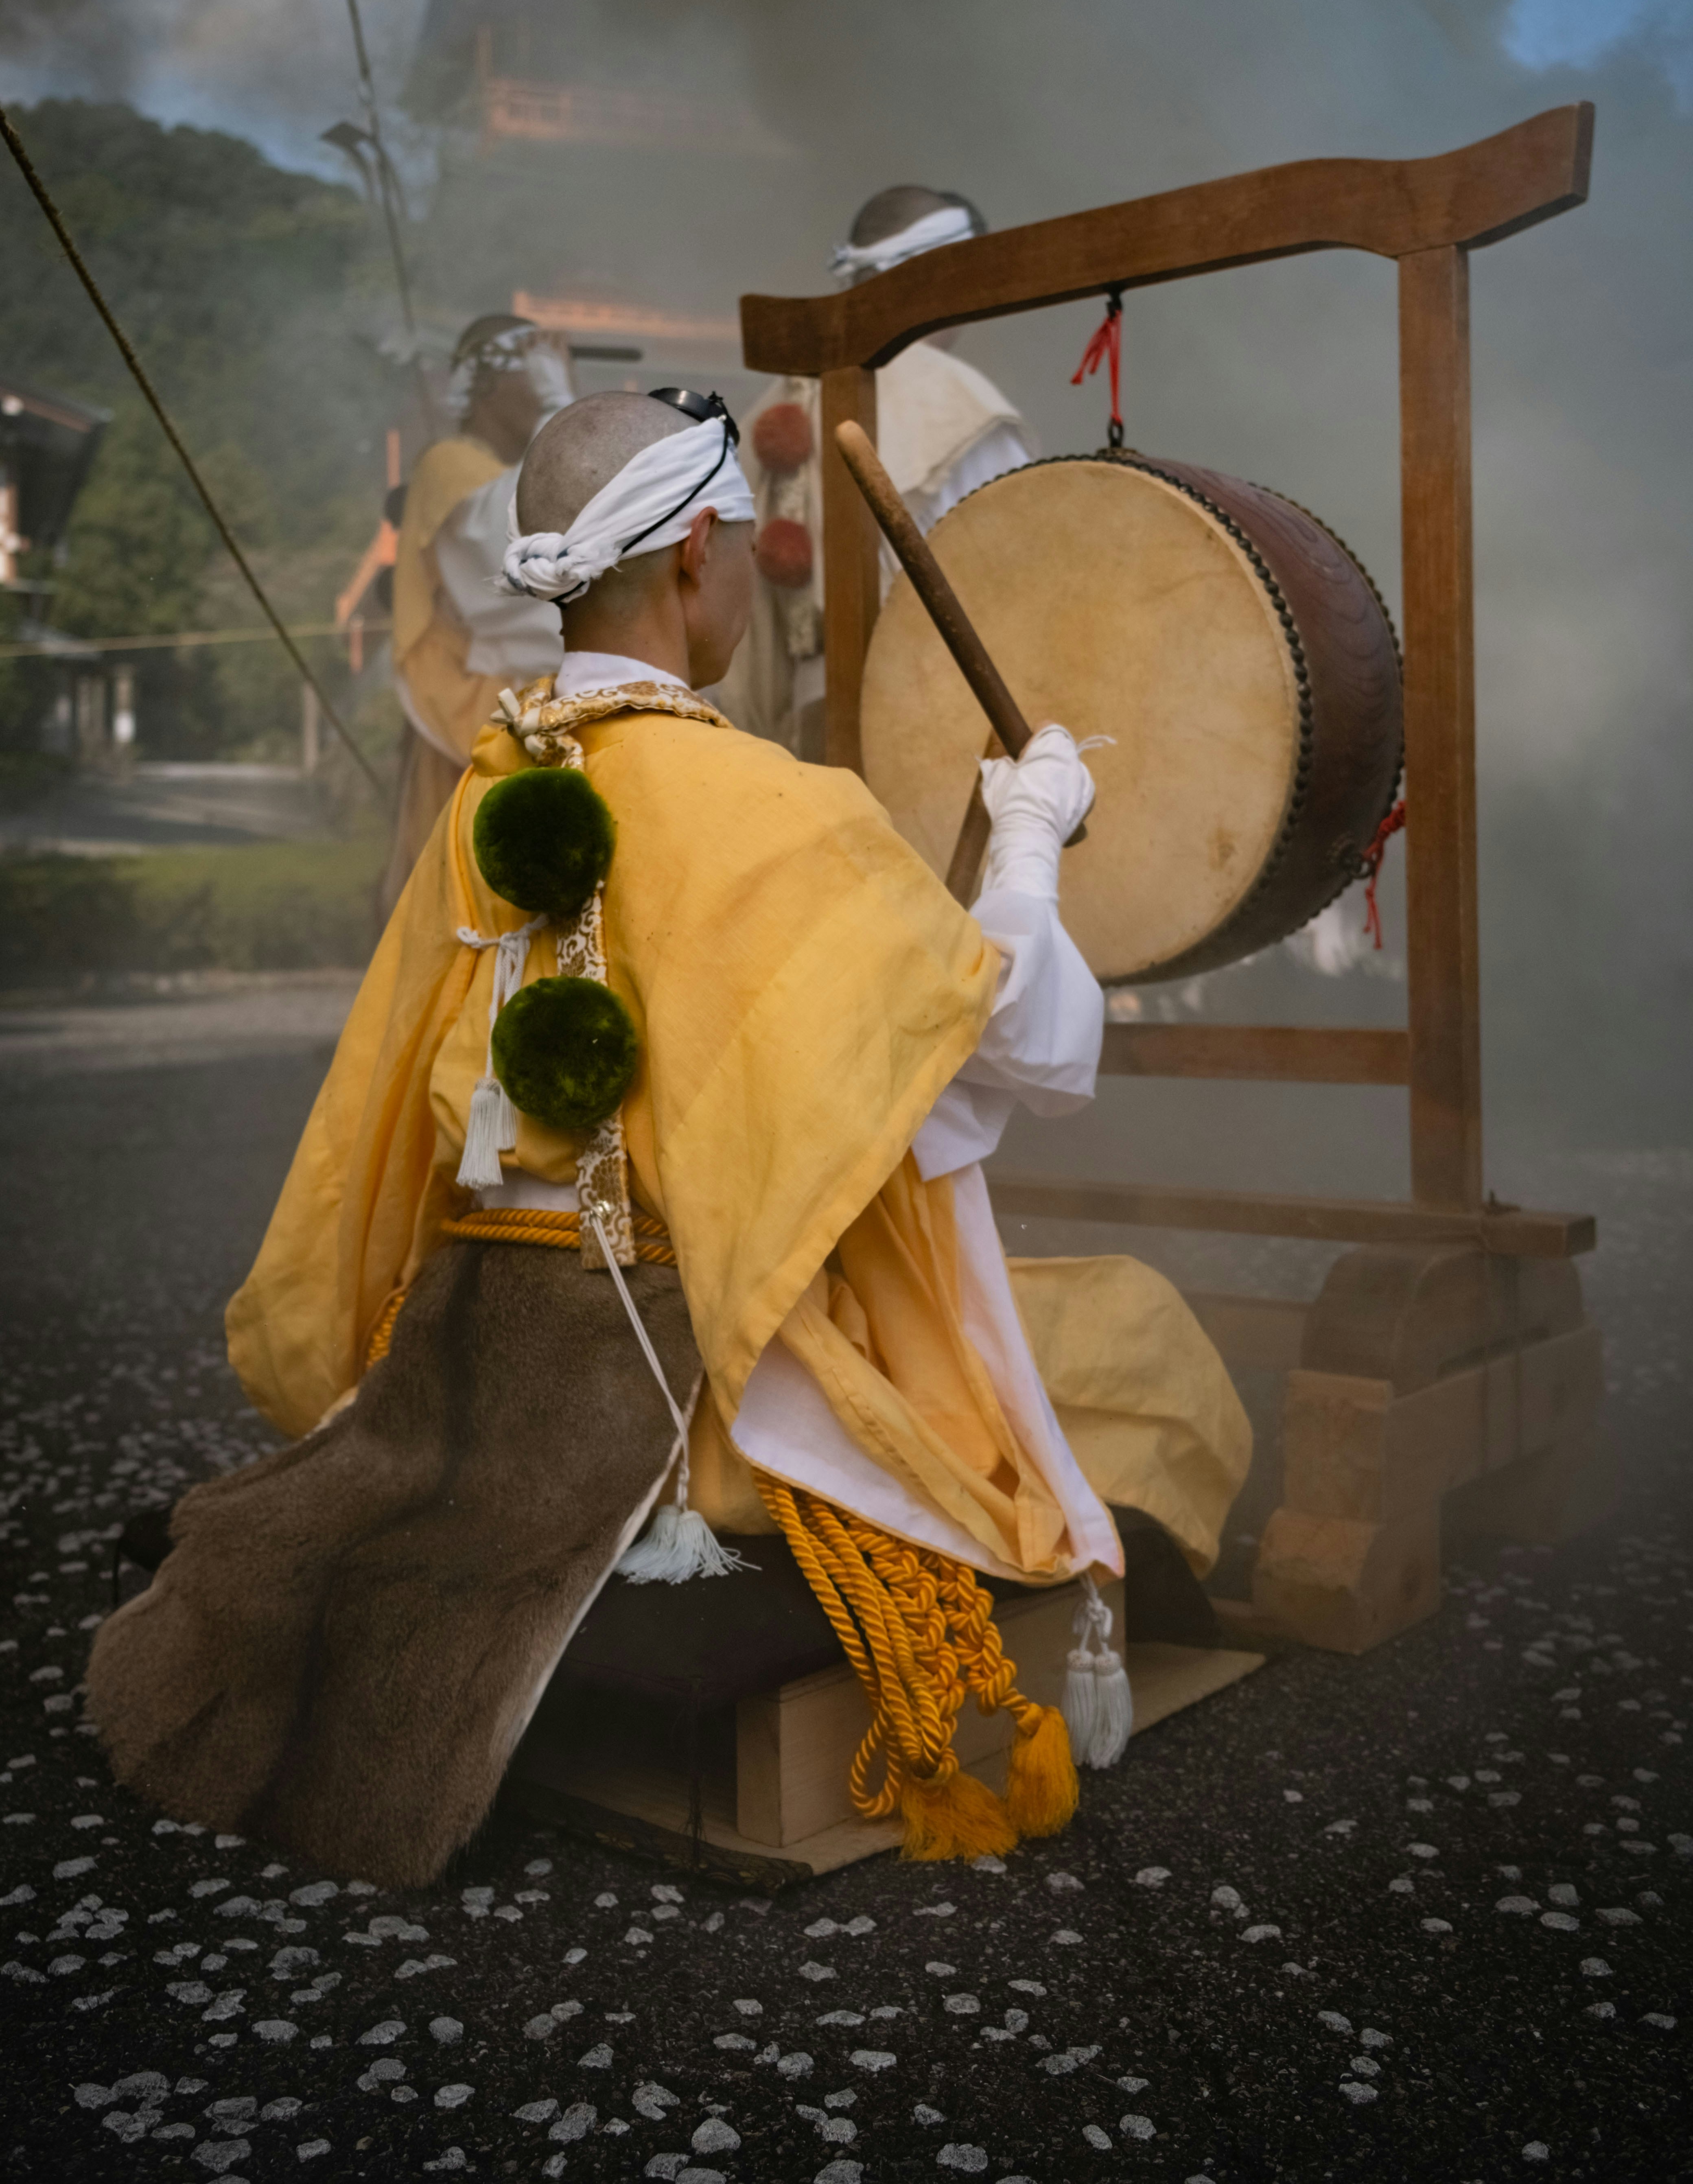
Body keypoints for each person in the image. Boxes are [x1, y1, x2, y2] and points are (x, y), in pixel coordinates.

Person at [87, 388, 1248, 1888]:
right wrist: (1030, 835)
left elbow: (373, 1118)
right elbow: (1023, 1045)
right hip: (708, 1402)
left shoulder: (498, 791)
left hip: (476, 1362)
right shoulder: (766, 806)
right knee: (1138, 1341)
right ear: (699, 554)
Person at [717, 184, 1034, 757]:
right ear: (950, 275)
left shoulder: (768, 411)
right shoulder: (956, 403)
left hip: (804, 742)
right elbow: (1024, 582)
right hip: (935, 728)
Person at [380, 313, 576, 913]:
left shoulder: (499, 470)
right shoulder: (449, 465)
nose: (549, 377)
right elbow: (526, 536)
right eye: (534, 368)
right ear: (491, 381)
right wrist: (559, 402)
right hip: (481, 723)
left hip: (543, 714)